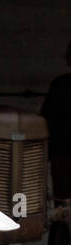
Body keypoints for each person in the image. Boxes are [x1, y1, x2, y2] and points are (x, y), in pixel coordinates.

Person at [44, 39, 71, 200]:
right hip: (62, 153)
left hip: (63, 153)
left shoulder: (61, 85)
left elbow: (48, 120)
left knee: (63, 199)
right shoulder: (60, 85)